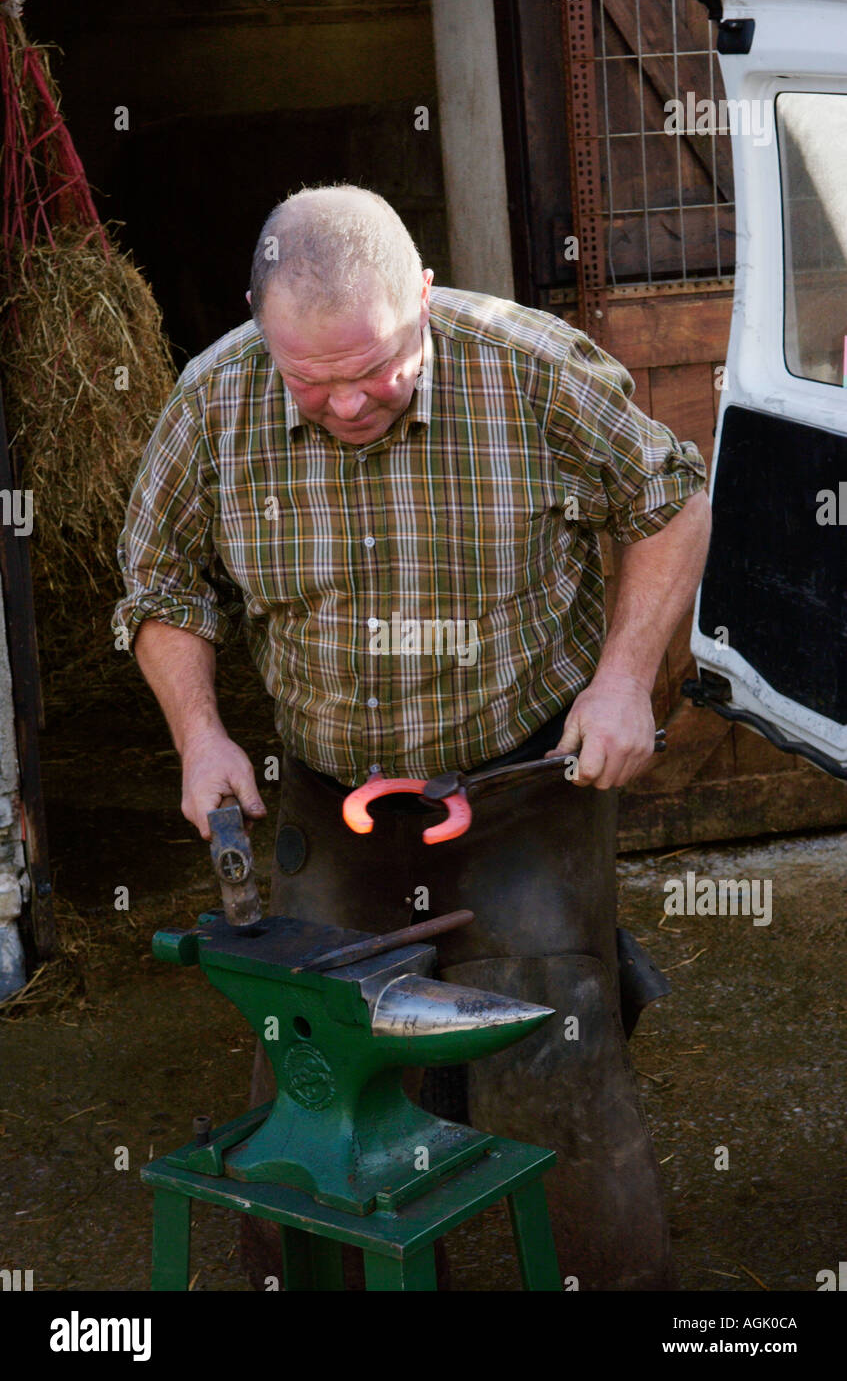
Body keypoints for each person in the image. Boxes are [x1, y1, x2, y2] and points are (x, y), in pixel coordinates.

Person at [113, 184, 711, 1290]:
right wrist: (198, 736)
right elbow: (159, 586)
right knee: (312, 1076)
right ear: (259, 326)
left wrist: (626, 682)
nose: (346, 405)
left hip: (526, 787)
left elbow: (670, 498)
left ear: (424, 299)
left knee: (555, 1053)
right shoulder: (212, 403)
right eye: (312, 381)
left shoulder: (532, 370)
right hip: (329, 804)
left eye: (376, 368)